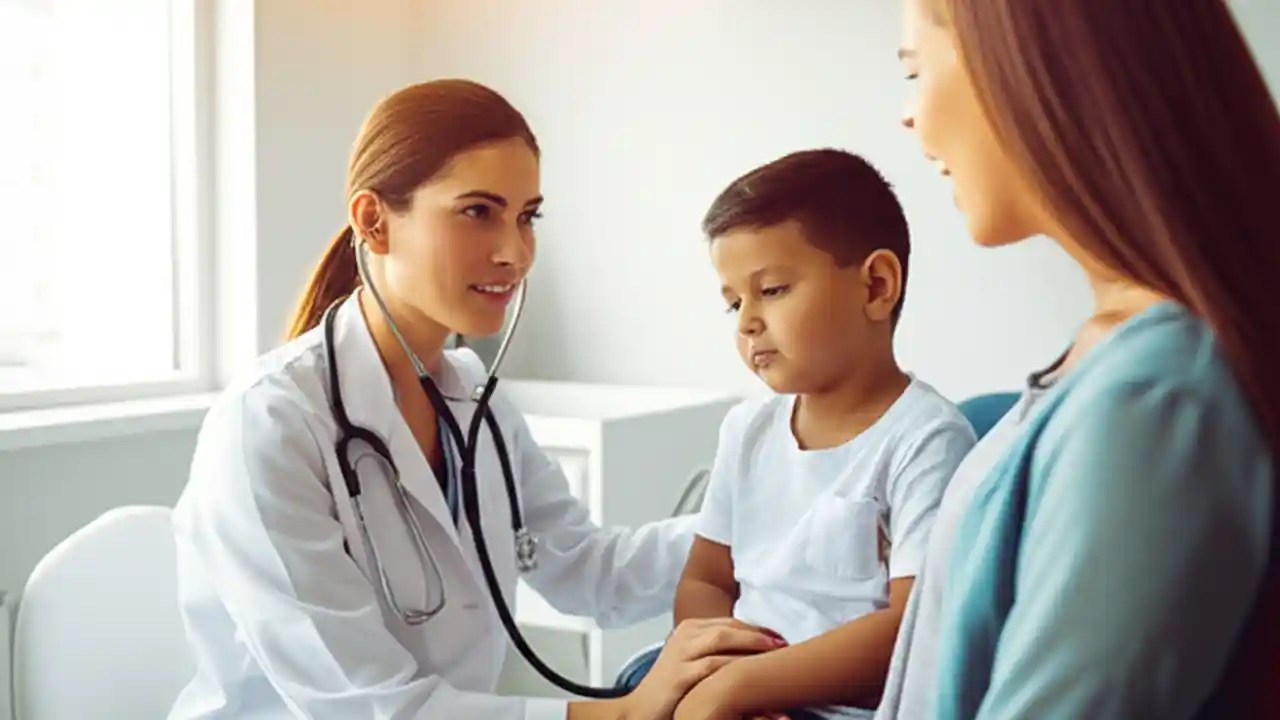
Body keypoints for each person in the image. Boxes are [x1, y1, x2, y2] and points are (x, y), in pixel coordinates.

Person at [167, 78, 784, 720]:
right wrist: (616, 714)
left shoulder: (471, 399)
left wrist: (763, 519)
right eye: (477, 211)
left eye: (526, 217)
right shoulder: (269, 424)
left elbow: (586, 569)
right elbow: (369, 709)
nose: (515, 253)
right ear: (374, 222)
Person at [880, 1, 1280, 718]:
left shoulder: (1153, 401)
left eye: (914, 70)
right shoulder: (1123, 368)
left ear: (1027, 68)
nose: (908, 117)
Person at [668, 149, 976, 720]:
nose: (746, 322)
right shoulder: (746, 430)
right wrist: (714, 665)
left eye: (774, 290)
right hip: (737, 690)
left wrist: (746, 687)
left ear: (876, 286)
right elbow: (706, 579)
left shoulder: (927, 439)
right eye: (734, 301)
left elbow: (910, 628)